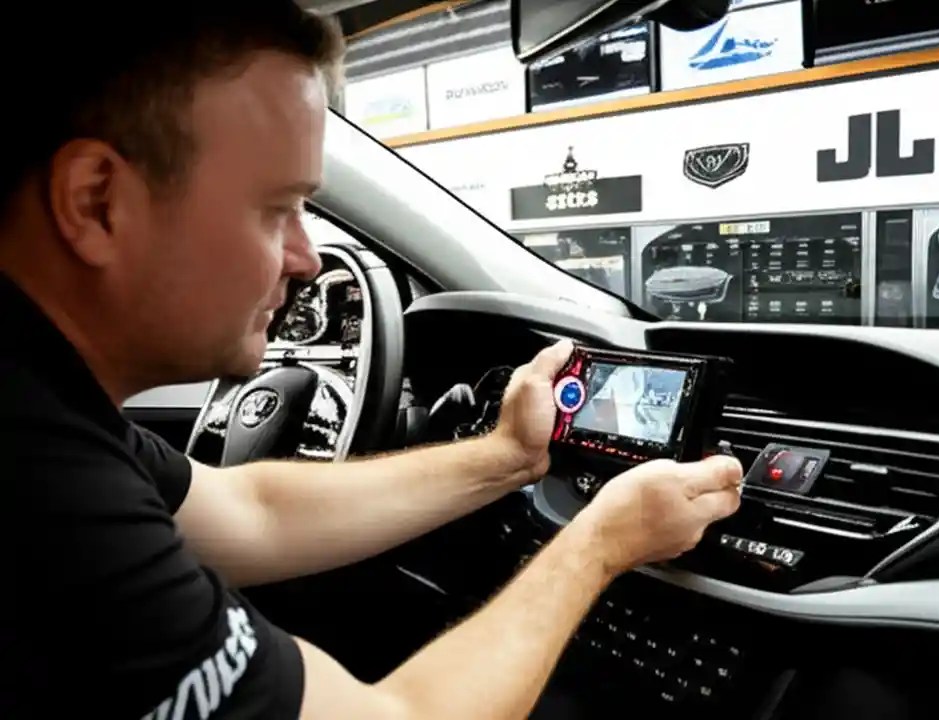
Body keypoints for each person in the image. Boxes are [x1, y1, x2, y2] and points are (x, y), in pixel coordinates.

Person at [0, 3, 743, 718]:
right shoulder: (39, 484)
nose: (307, 257)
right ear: (97, 203)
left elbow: (252, 513)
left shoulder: (49, 409)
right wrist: (602, 543)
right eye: (277, 209)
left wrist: (508, 456)